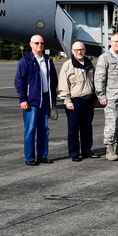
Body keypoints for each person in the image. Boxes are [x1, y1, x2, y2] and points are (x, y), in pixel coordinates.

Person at [14, 34, 58, 166]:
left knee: (44, 128)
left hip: (45, 99)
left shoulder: (48, 61)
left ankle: (42, 155)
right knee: (30, 129)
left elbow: (53, 81)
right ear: (31, 44)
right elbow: (19, 82)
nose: (40, 46)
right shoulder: (25, 61)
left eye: (42, 43)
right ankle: (30, 157)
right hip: (32, 101)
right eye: (37, 43)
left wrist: (53, 99)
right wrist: (23, 99)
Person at [57, 41, 97, 161]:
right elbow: (63, 84)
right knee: (73, 129)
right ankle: (74, 153)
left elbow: (93, 81)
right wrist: (67, 100)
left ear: (84, 50)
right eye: (76, 50)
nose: (79, 52)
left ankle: (86, 151)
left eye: (81, 50)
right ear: (72, 51)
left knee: (87, 128)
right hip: (74, 102)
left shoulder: (89, 64)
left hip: (88, 101)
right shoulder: (68, 65)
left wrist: (95, 97)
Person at [95, 32, 118, 161]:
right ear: (111, 42)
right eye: (116, 41)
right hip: (111, 96)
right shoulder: (105, 57)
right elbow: (99, 78)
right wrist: (101, 95)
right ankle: (109, 149)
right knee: (111, 122)